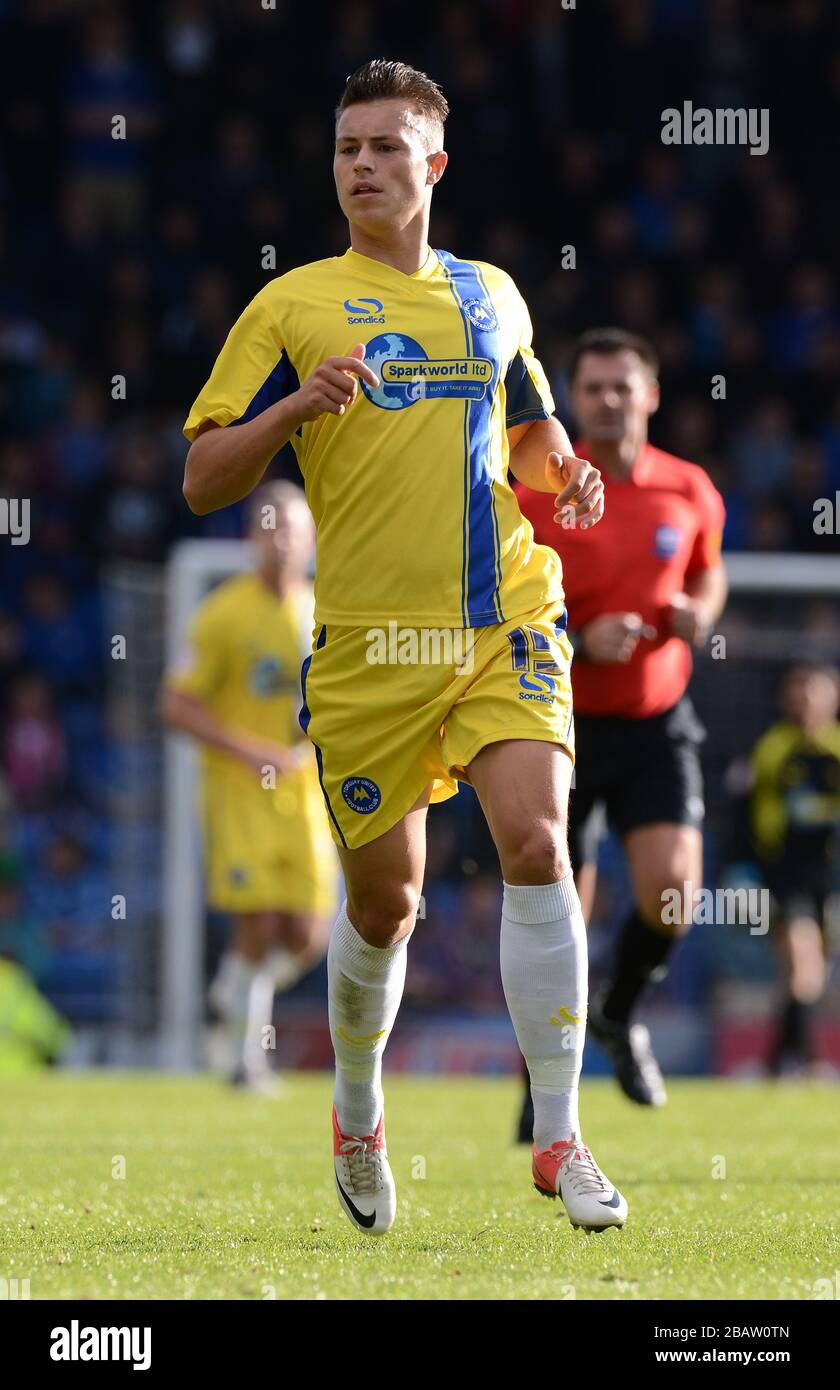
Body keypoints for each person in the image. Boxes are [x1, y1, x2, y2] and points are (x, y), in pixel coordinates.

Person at [181, 58, 626, 1236]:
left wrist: (570, 476)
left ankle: (561, 1134)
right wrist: (290, 411)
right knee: (388, 905)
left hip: (502, 620)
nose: (362, 166)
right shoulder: (291, 305)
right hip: (370, 652)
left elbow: (531, 439)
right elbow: (201, 475)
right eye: (346, 150)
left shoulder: (494, 295)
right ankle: (357, 1104)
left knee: (536, 838)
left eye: (385, 147)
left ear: (433, 165)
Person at [516, 327, 727, 1123]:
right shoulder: (534, 491)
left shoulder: (689, 488)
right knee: (554, 911)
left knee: (673, 894)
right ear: (572, 399)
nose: (608, 399)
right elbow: (499, 605)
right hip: (552, 717)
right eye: (594, 387)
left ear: (651, 394)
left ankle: (616, 1011)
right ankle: (541, 1084)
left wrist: (695, 614)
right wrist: (574, 642)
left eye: (622, 385)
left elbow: (709, 571)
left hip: (654, 717)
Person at [161, 482, 336, 1091]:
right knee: (259, 918)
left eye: (292, 527)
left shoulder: (323, 612)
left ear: (312, 539)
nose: (281, 539)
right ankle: (245, 1061)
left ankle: (233, 989)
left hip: (307, 791)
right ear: (249, 538)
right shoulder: (223, 614)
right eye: (269, 527)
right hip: (241, 789)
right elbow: (176, 705)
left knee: (307, 934)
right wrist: (250, 749)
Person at [750, 664, 840, 1075]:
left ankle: (780, 1062)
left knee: (810, 975)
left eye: (814, 690)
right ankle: (801, 1063)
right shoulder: (771, 750)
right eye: (798, 690)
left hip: (830, 877)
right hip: (786, 877)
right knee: (802, 964)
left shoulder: (835, 749)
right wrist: (746, 869)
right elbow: (749, 817)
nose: (806, 699)